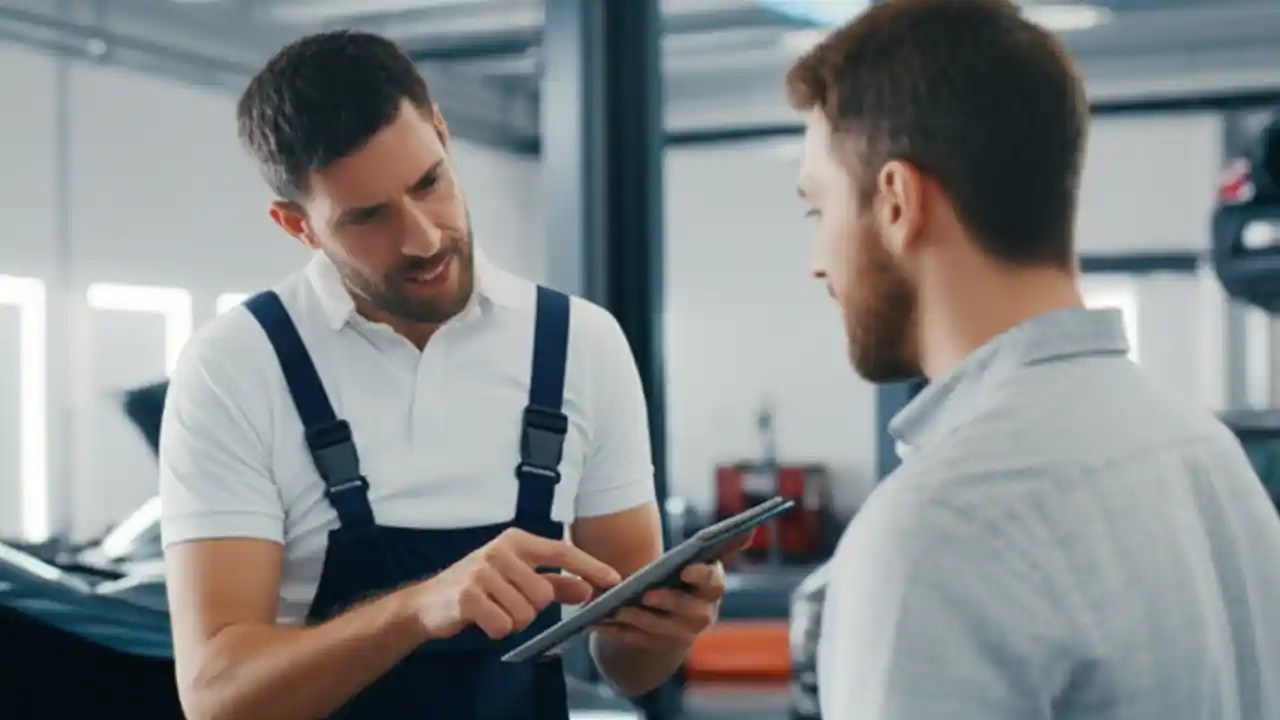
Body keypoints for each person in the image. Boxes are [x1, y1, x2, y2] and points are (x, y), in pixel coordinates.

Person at [157, 31, 724, 720]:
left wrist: (667, 630)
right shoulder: (235, 368)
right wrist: (421, 608)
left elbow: (628, 668)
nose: (423, 238)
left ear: (443, 135)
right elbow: (217, 697)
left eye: (430, 182)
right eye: (367, 217)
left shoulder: (582, 345)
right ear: (296, 226)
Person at [787, 1, 1280, 718]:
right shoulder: (1207, 456)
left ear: (895, 201)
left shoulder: (935, 531)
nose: (817, 262)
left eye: (817, 211)